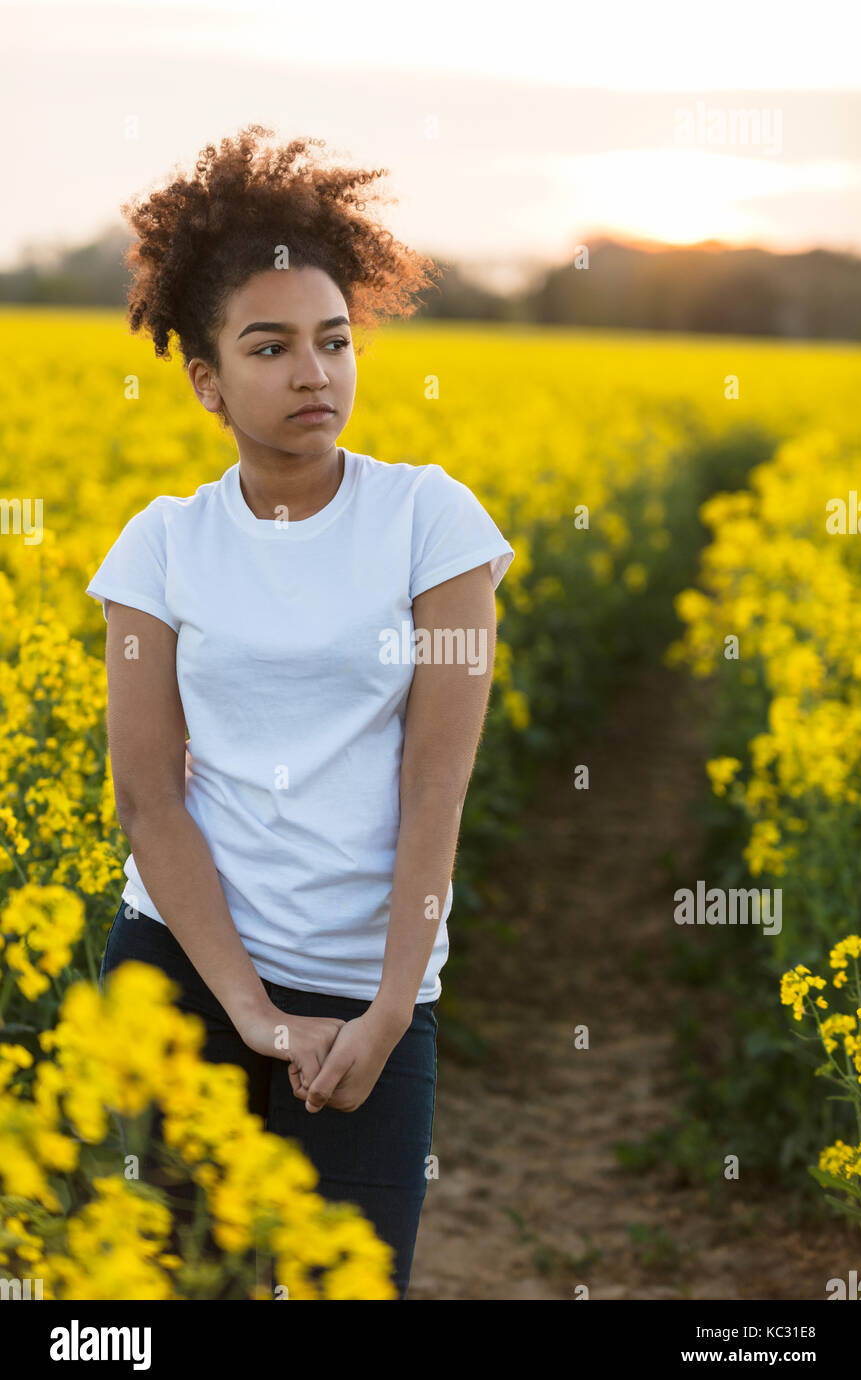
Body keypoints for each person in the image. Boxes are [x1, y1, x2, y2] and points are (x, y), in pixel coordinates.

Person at [87, 125, 515, 1300]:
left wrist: (385, 1006)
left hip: (369, 983)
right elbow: (148, 796)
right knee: (167, 1295)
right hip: (184, 972)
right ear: (207, 379)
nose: (312, 371)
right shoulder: (157, 548)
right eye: (269, 347)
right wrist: (253, 1014)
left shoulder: (434, 525)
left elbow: (436, 784)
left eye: (332, 340)